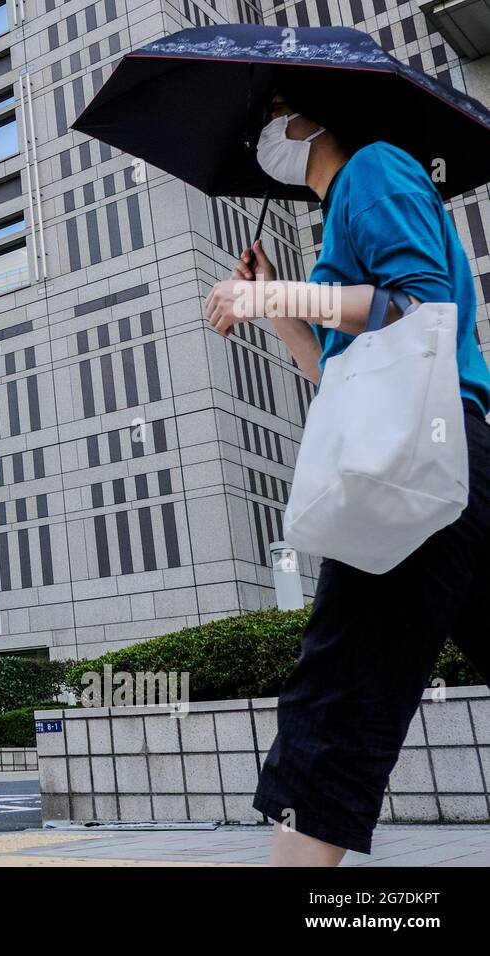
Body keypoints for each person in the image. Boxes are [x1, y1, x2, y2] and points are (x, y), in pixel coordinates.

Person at [206, 93, 490, 865]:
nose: (262, 136)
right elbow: (332, 380)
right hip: (448, 464)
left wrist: (273, 293)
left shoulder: (375, 168)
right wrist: (281, 313)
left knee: (338, 691)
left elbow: (417, 306)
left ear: (309, 117)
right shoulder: (345, 213)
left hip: (422, 461)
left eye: (266, 116)